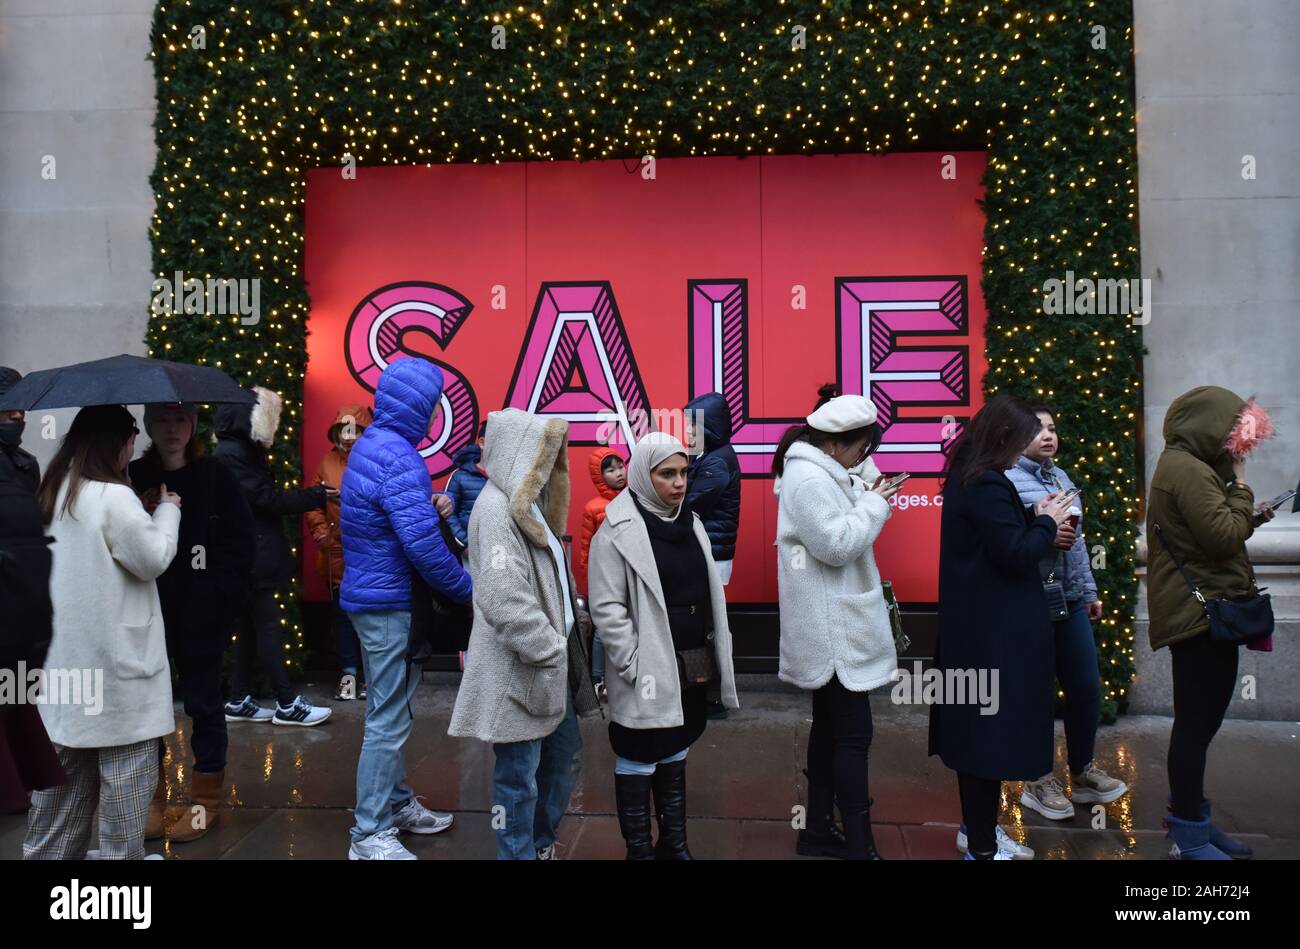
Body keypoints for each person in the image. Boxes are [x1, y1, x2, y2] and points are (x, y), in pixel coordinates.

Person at [24, 405, 180, 859]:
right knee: (122, 821)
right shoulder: (114, 497)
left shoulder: (52, 491)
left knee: (57, 818)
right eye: (132, 435)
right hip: (120, 683)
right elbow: (151, 558)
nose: (135, 443)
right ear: (117, 442)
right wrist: (167, 511)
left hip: (65, 678)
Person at [448, 408, 600, 860]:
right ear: (518, 454)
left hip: (546, 670)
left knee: (562, 761)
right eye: (541, 453)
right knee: (518, 779)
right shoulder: (496, 511)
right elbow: (503, 599)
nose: (549, 463)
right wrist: (549, 650)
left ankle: (536, 846)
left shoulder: (527, 504)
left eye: (553, 454)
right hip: (522, 670)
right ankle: (518, 853)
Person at [928, 395, 1075, 861]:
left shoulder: (971, 476)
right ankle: (982, 846)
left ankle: (979, 836)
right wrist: (1047, 523)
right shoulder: (987, 482)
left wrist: (1033, 518)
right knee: (986, 744)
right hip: (993, 639)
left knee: (977, 741)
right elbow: (1012, 553)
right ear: (1003, 437)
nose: (1026, 447)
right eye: (1020, 438)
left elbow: (994, 539)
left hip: (975, 635)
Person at [340, 358, 473, 860]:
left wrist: (427, 500)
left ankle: (394, 805)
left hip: (372, 598)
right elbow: (421, 546)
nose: (434, 415)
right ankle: (369, 833)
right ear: (420, 407)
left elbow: (392, 517)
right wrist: (466, 589)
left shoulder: (374, 446)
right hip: (390, 604)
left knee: (387, 711)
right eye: (433, 406)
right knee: (388, 719)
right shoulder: (400, 457)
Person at [589, 432, 739, 859]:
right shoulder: (615, 530)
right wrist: (634, 663)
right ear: (642, 475)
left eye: (683, 473)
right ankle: (640, 851)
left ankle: (675, 846)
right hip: (648, 667)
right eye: (666, 474)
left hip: (690, 666)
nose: (679, 483)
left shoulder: (689, 521)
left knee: (676, 747)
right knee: (640, 751)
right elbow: (606, 607)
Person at [1147, 387, 1275, 860]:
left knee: (1197, 725)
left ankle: (1192, 818)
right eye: (1231, 434)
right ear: (1209, 425)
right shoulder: (1188, 470)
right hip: (1199, 615)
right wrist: (1241, 488)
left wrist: (1249, 516)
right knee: (1195, 728)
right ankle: (1188, 835)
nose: (1234, 448)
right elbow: (1222, 537)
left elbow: (1206, 532)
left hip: (1200, 611)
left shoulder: (1185, 467)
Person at [772, 390, 901, 860]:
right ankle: (859, 845)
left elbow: (839, 512)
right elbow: (835, 543)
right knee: (853, 736)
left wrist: (868, 489)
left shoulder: (817, 469)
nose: (865, 456)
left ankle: (819, 831)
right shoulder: (808, 479)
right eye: (862, 447)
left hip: (831, 623)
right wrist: (875, 506)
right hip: (833, 632)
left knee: (830, 731)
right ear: (836, 444)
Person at [129, 402, 255, 843]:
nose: (172, 428)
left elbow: (242, 539)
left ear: (194, 425)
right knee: (150, 709)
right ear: (149, 426)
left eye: (181, 419)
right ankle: (152, 799)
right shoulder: (134, 477)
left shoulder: (215, 475)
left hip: (202, 613)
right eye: (162, 420)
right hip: (147, 612)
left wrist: (222, 594)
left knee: (204, 706)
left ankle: (205, 803)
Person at [1004, 405, 1128, 826]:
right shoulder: (1005, 479)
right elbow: (1010, 544)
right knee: (1036, 693)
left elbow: (1077, 542)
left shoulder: (1061, 477)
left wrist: (1089, 591)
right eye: (1036, 429)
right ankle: (1038, 780)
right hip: (1031, 600)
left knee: (1087, 687)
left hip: (1071, 598)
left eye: (1052, 428)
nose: (1047, 435)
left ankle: (1083, 771)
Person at [214, 387, 333, 726]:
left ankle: (238, 699)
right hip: (252, 553)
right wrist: (315, 496)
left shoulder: (237, 450)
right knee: (266, 626)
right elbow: (266, 499)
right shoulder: (234, 453)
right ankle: (286, 703)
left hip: (250, 552)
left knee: (251, 628)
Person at [0, 367, 66, 815]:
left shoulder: (25, 464)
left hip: (23, 615)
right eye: (7, 409)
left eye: (21, 410)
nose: (17, 418)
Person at [305, 403, 374, 701]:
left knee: (371, 617)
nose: (347, 437)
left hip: (370, 553)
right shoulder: (327, 463)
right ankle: (348, 679)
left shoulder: (375, 461)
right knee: (343, 618)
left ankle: (372, 679)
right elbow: (312, 502)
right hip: (337, 553)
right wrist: (320, 531)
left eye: (354, 431)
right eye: (343, 430)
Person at [683, 392, 741, 720]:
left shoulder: (717, 461)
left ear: (712, 428)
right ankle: (705, 691)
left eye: (693, 427)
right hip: (709, 552)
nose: (688, 433)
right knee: (705, 624)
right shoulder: (709, 457)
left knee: (707, 627)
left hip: (712, 555)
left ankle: (710, 696)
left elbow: (689, 504)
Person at [576, 445, 626, 700]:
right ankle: (598, 680)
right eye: (610, 469)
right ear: (599, 475)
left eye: (620, 466)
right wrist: (588, 583)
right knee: (602, 629)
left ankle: (625, 675)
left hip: (628, 575)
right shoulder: (593, 508)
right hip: (603, 578)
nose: (619, 473)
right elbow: (586, 548)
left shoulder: (635, 499)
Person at [444, 421, 488, 551]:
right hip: (467, 557)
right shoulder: (459, 477)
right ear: (482, 443)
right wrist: (465, 544)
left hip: (499, 555)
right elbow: (447, 515)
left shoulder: (509, 479)